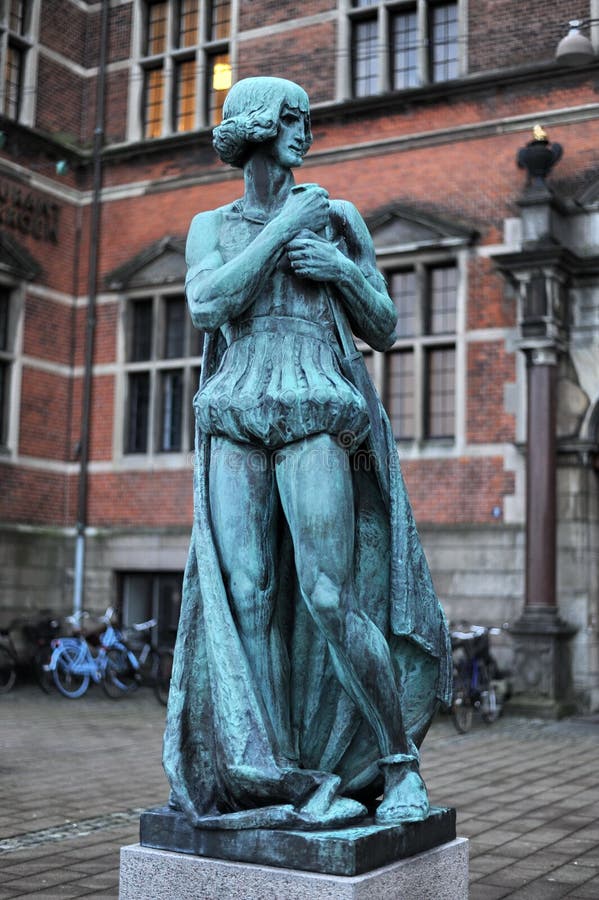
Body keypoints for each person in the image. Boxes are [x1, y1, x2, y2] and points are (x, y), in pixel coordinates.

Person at [163, 76, 451, 830]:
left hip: (314, 405)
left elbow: (383, 325)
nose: (305, 134)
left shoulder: (340, 217)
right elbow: (207, 305)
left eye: (307, 121)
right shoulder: (211, 226)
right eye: (292, 119)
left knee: (328, 596)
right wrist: (282, 229)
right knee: (248, 597)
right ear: (256, 126)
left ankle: (398, 765)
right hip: (234, 412)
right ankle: (277, 773)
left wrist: (345, 271)